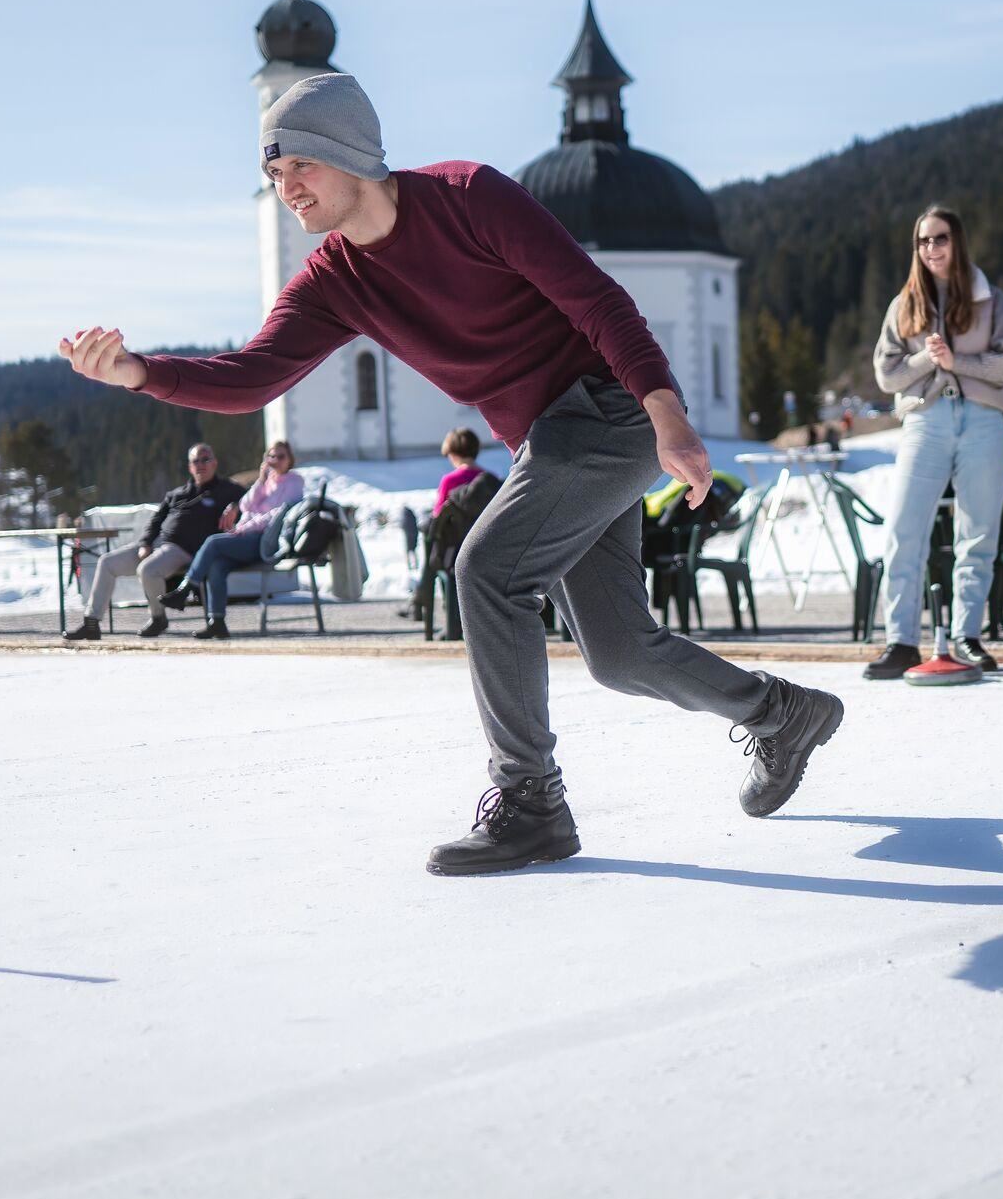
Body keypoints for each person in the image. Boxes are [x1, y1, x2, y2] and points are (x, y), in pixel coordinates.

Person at [59, 70, 841, 873]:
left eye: (298, 166)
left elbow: (598, 300)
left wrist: (665, 409)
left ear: (349, 152)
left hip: (608, 410)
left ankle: (532, 800)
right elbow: (251, 375)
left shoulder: (469, 198)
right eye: (272, 174)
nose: (285, 188)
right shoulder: (335, 283)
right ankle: (782, 713)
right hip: (552, 441)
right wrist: (140, 372)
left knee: (489, 571)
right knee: (619, 652)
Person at [865, 205, 1003, 679]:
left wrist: (957, 362)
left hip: (983, 421)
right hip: (925, 421)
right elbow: (887, 374)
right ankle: (901, 642)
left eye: (940, 238)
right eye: (923, 240)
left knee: (976, 534)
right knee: (903, 531)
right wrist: (926, 362)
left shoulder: (990, 299)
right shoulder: (904, 304)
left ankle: (966, 638)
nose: (931, 248)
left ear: (957, 243)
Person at [65, 444, 234, 641]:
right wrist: (145, 543)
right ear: (189, 466)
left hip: (184, 549)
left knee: (147, 570)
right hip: (156, 545)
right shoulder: (176, 494)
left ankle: (158, 617)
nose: (201, 465)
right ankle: (91, 623)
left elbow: (252, 500)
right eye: (196, 461)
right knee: (107, 562)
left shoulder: (227, 491)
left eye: (205, 459)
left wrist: (236, 506)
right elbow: (155, 522)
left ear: (215, 463)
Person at [164, 440, 307, 640]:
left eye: (280, 457)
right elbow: (247, 505)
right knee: (217, 564)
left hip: (265, 541)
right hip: (249, 536)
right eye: (271, 456)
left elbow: (278, 515)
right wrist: (261, 480)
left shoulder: (294, 482)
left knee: (214, 542)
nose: (275, 461)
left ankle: (185, 588)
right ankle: (217, 622)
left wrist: (244, 528)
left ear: (290, 459)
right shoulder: (268, 481)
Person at [412, 428, 500, 620]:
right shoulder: (488, 480)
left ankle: (424, 603)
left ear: (453, 453)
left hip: (452, 551)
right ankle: (419, 602)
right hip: (485, 548)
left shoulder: (450, 481)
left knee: (431, 549)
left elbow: (439, 516)